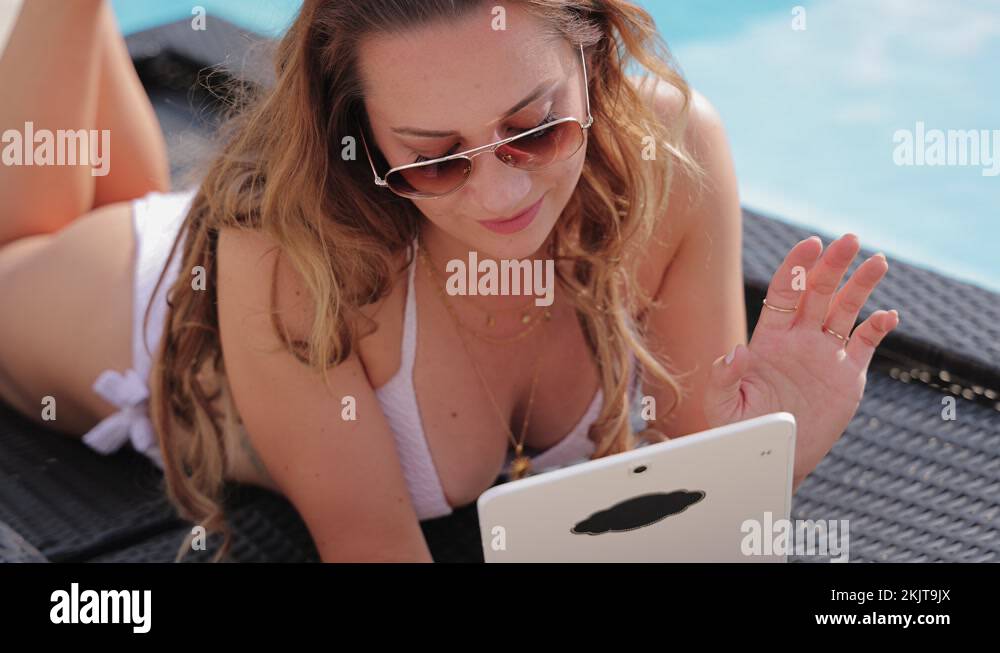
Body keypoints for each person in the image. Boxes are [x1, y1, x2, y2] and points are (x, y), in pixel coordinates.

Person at [0, 0, 899, 562]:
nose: (502, 193)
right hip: (136, 299)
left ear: (591, 51)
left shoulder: (676, 154)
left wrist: (770, 455)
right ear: (362, 136)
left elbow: (678, 512)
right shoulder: (284, 254)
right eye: (434, 161)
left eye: (535, 129)